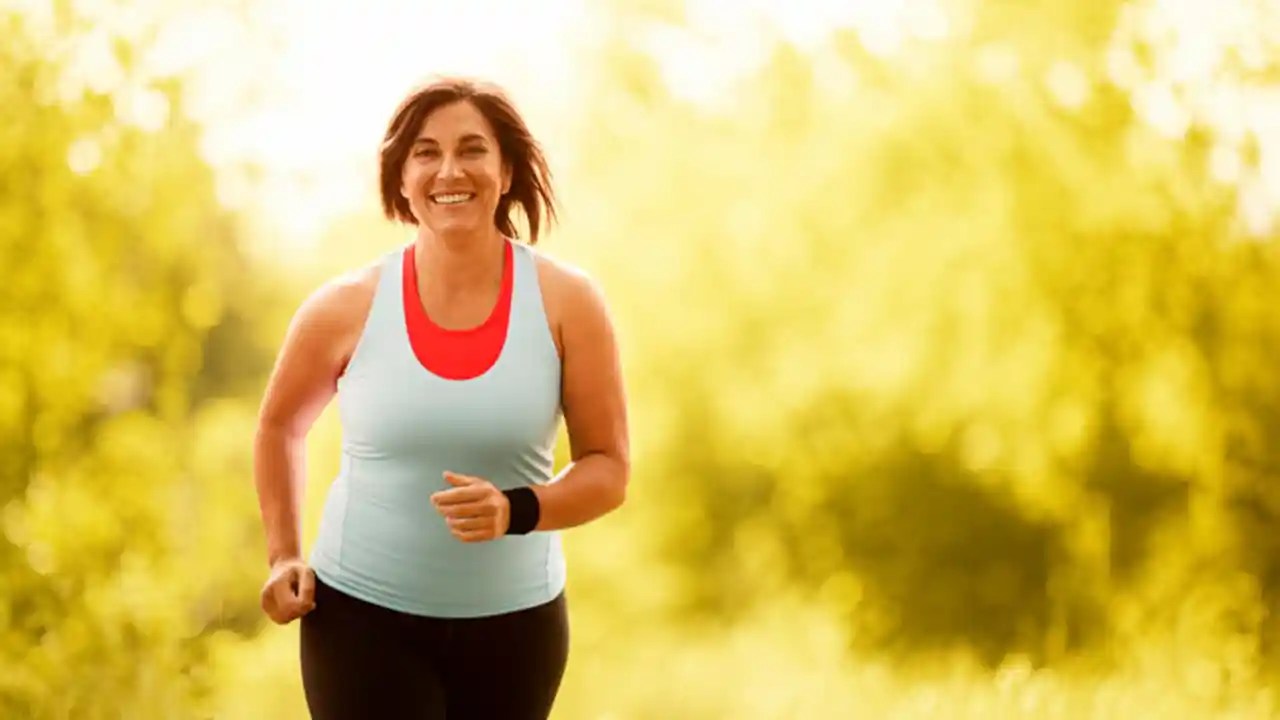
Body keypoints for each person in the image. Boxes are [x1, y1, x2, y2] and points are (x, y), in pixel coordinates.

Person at [251, 76, 630, 719]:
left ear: (506, 170)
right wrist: (284, 553)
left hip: (516, 630)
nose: (449, 169)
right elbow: (280, 426)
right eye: (425, 153)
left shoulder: (569, 303)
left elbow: (609, 469)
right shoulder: (346, 306)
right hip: (359, 623)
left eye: (472, 149)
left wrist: (517, 509)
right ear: (400, 180)